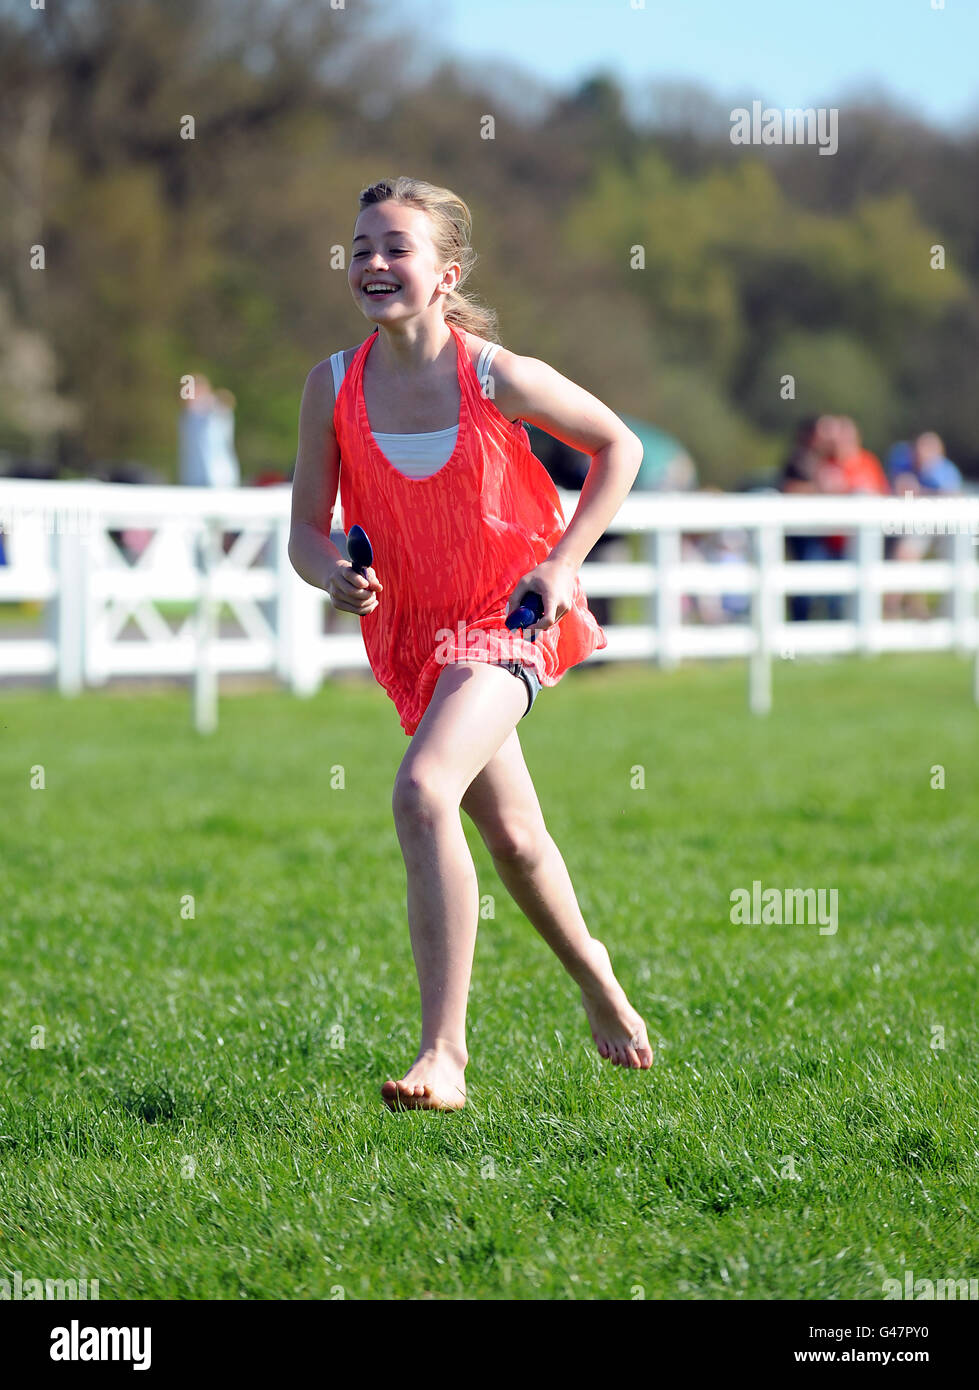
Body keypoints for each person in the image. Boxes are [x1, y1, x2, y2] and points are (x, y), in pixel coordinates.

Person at [289, 176, 652, 1111]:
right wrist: (332, 574)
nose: (373, 262)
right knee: (518, 843)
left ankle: (441, 1056)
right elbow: (304, 533)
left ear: (445, 273)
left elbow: (620, 446)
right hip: (412, 638)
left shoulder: (497, 374)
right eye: (361, 246)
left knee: (421, 790)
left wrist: (565, 563)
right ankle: (598, 979)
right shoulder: (331, 386)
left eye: (395, 247)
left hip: (507, 617)